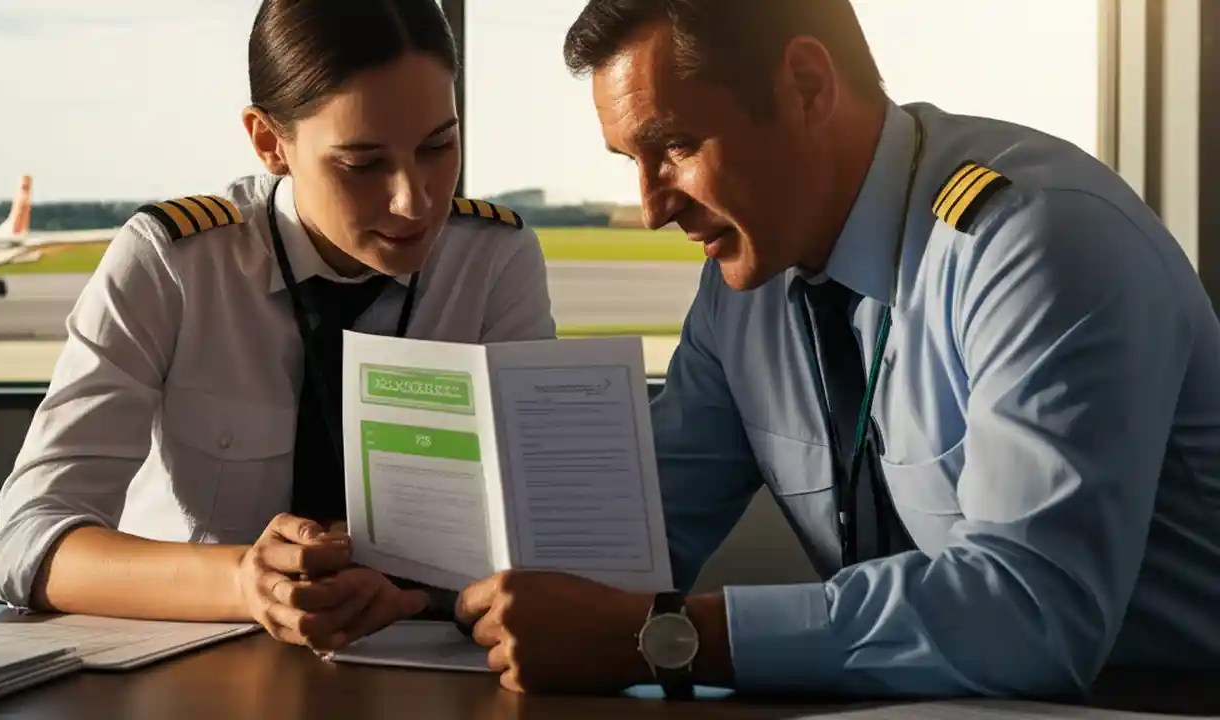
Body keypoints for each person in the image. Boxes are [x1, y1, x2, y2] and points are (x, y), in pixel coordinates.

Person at [455, 0, 1220, 700]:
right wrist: (448, 590)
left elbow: (1032, 617)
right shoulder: (744, 286)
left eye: (676, 146)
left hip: (1157, 699)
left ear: (807, 86)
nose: (652, 208)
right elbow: (633, 539)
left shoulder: (1033, 242)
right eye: (632, 160)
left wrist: (669, 639)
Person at [0, 0, 554, 655]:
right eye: (362, 164)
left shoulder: (493, 260)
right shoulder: (175, 263)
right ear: (268, 142)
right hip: (193, 668)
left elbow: (541, 527)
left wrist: (430, 590)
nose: (414, 200)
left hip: (422, 665)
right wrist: (243, 583)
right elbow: (25, 541)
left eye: (438, 147)